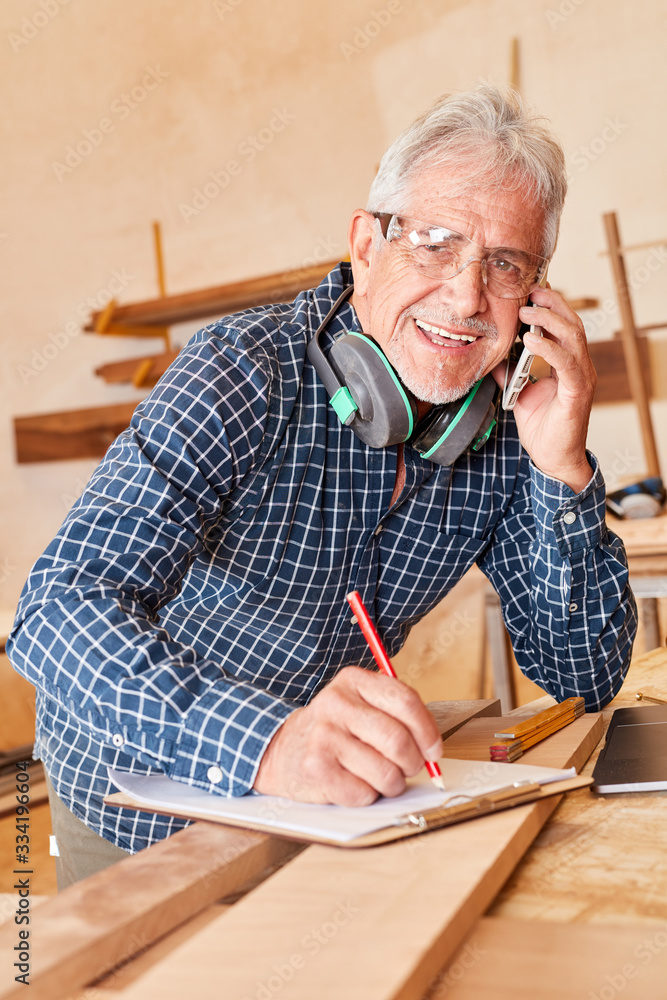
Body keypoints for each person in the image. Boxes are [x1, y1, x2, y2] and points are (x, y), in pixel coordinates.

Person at [8, 84, 636, 886]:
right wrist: (266, 744)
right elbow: (58, 609)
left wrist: (562, 468)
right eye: (435, 244)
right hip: (138, 799)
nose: (466, 296)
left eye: (503, 266)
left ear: (534, 295)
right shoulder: (241, 371)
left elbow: (584, 676)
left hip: (321, 805)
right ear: (366, 246)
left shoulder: (510, 425)